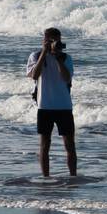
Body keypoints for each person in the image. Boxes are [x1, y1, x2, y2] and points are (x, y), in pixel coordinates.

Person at [26, 28, 76, 177]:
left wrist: (58, 59)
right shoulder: (35, 56)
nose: (55, 43)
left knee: (70, 145)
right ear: (44, 40)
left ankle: (73, 176)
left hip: (64, 106)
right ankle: (45, 178)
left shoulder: (66, 58)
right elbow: (34, 74)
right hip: (45, 106)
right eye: (51, 40)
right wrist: (44, 53)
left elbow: (67, 78)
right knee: (44, 145)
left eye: (57, 40)